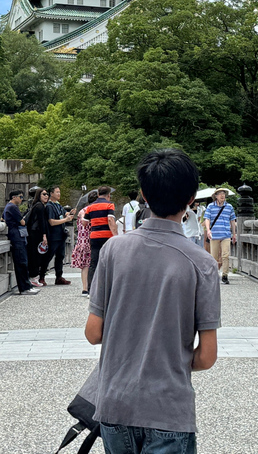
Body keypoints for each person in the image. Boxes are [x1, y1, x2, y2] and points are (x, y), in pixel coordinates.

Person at [85, 148, 220, 454]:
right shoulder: (202, 263)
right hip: (168, 408)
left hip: (115, 403)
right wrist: (166, 360)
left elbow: (93, 333)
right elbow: (206, 356)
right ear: (191, 199)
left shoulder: (113, 250)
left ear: (144, 194)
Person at [3, 190, 39, 295]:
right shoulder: (12, 207)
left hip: (16, 235)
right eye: (20, 197)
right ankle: (24, 288)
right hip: (17, 236)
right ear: (14, 197)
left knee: (22, 262)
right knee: (22, 262)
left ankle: (27, 286)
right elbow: (22, 222)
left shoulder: (8, 207)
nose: (21, 199)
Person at [83, 185, 117, 293]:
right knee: (109, 262)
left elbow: (84, 222)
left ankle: (90, 289)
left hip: (94, 236)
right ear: (108, 195)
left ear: (98, 194)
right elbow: (110, 220)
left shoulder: (91, 207)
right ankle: (108, 288)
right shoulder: (109, 205)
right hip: (107, 236)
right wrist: (116, 235)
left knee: (94, 262)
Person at [40, 185, 75, 286]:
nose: (59, 194)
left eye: (59, 192)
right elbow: (51, 222)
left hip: (61, 235)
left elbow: (64, 214)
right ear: (51, 194)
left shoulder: (58, 205)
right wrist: (65, 219)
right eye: (57, 192)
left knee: (60, 256)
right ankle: (41, 276)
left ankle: (59, 277)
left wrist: (70, 214)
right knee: (48, 256)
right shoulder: (49, 206)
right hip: (53, 235)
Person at [204, 188, 236, 284]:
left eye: (223, 193)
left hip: (226, 234)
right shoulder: (210, 206)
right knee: (213, 256)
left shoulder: (229, 207)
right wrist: (208, 230)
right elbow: (207, 219)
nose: (222, 195)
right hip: (214, 234)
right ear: (216, 196)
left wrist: (234, 234)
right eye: (220, 194)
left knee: (225, 255)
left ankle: (225, 275)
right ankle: (214, 274)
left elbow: (232, 220)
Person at [72, 190, 98, 296]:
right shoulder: (92, 211)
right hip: (90, 240)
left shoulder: (81, 210)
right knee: (92, 265)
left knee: (84, 266)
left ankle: (84, 288)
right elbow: (85, 222)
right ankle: (92, 287)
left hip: (81, 240)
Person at [26, 187, 49, 287]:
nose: (46, 196)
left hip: (33, 233)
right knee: (35, 256)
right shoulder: (39, 206)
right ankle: (34, 278)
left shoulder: (36, 205)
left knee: (35, 255)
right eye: (44, 194)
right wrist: (44, 235)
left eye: (47, 194)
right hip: (36, 233)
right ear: (38, 195)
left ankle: (34, 277)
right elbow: (41, 221)